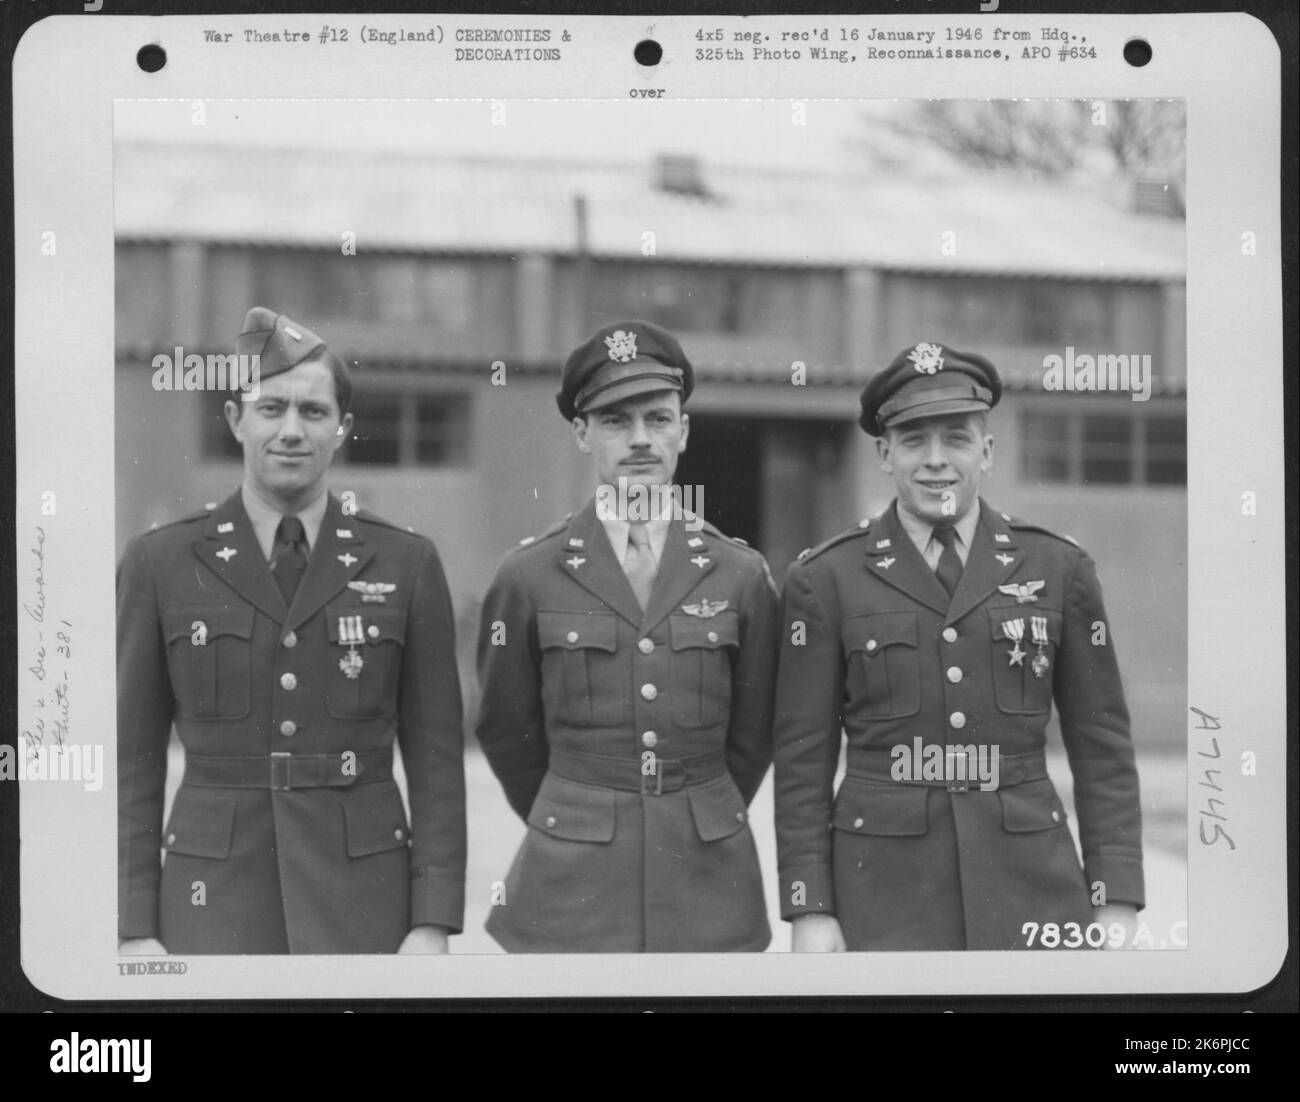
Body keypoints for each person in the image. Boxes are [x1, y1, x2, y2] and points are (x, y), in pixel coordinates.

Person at [773, 341, 1144, 951]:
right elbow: (801, 760)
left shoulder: (1058, 567)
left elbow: (1102, 748)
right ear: (884, 453)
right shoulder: (825, 579)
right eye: (914, 439)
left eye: (957, 439)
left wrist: (1117, 897)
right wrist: (810, 908)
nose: (936, 461)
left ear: (988, 451)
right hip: (882, 896)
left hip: (1032, 888)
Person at [117, 307, 466, 954]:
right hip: (210, 898)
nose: (291, 431)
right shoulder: (159, 563)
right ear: (235, 421)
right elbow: (130, 764)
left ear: (342, 429)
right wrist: (133, 926)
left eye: (313, 412)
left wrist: (432, 922)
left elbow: (438, 762)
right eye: (271, 408)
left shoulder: (406, 563)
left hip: (364, 900)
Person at [475, 320, 778, 952]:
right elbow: (507, 730)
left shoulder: (741, 574)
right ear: (582, 433)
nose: (640, 439)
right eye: (615, 420)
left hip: (707, 878)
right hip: (570, 886)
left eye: (658, 419)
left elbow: (753, 735)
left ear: (684, 431)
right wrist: (579, 812)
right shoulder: (528, 575)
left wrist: (698, 810)